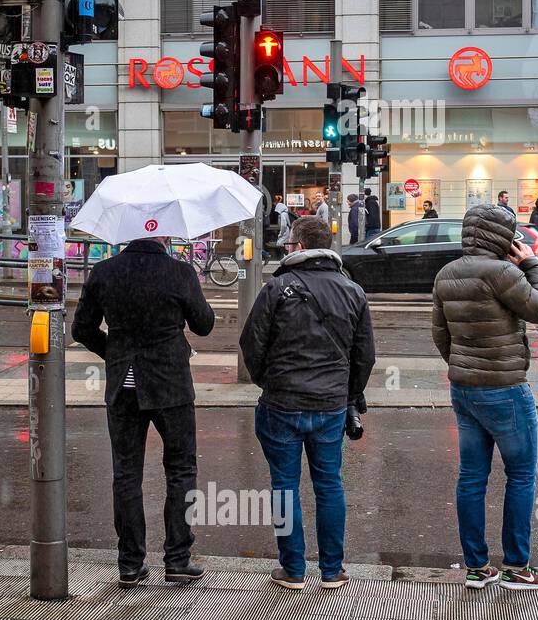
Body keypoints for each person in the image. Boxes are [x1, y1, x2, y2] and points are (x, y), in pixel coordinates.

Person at [239, 217, 375, 590]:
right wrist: (347, 393)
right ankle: (332, 570)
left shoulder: (277, 288)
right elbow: (365, 356)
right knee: (329, 484)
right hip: (330, 405)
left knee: (284, 486)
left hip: (281, 403)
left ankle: (293, 569)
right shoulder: (352, 290)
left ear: (298, 246)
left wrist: (268, 381)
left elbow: (251, 344)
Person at [72, 234, 215, 587]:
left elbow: (81, 329)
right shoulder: (178, 271)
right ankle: (178, 560)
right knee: (181, 470)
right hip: (170, 385)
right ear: (162, 234)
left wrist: (116, 353)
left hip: (125, 386)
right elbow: (204, 324)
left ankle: (130, 564)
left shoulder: (104, 272)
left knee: (126, 474)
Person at [432, 205, 538, 590]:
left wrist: (463, 365)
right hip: (505, 389)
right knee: (520, 476)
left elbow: (440, 334)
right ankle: (517, 567)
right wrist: (532, 264)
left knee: (471, 478)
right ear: (502, 236)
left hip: (464, 389)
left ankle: (477, 567)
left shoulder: (446, 274)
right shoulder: (503, 272)